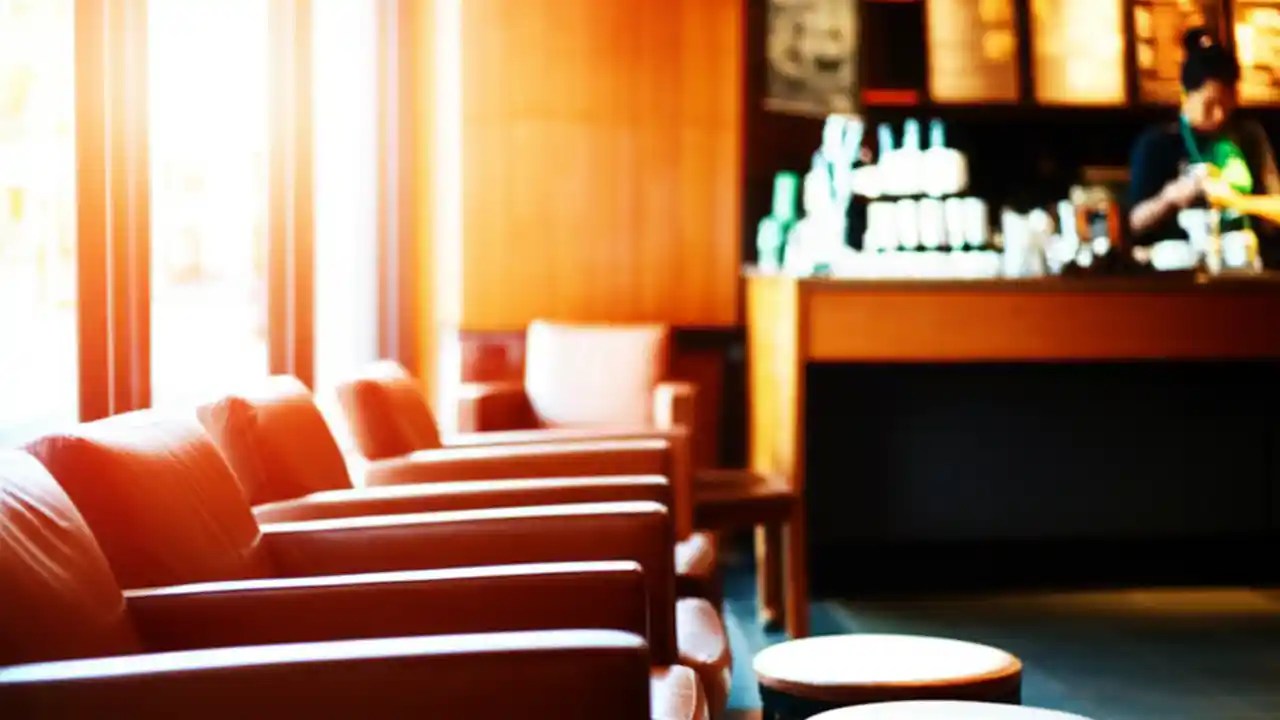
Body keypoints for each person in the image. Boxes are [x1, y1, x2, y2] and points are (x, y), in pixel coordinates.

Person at [1127, 27, 1280, 249]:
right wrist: (1168, 198)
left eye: (1227, 105)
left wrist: (1237, 202)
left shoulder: (1248, 136)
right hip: (1177, 271)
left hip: (1247, 263)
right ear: (1185, 96)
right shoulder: (1157, 143)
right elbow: (1133, 223)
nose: (1219, 115)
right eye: (1209, 105)